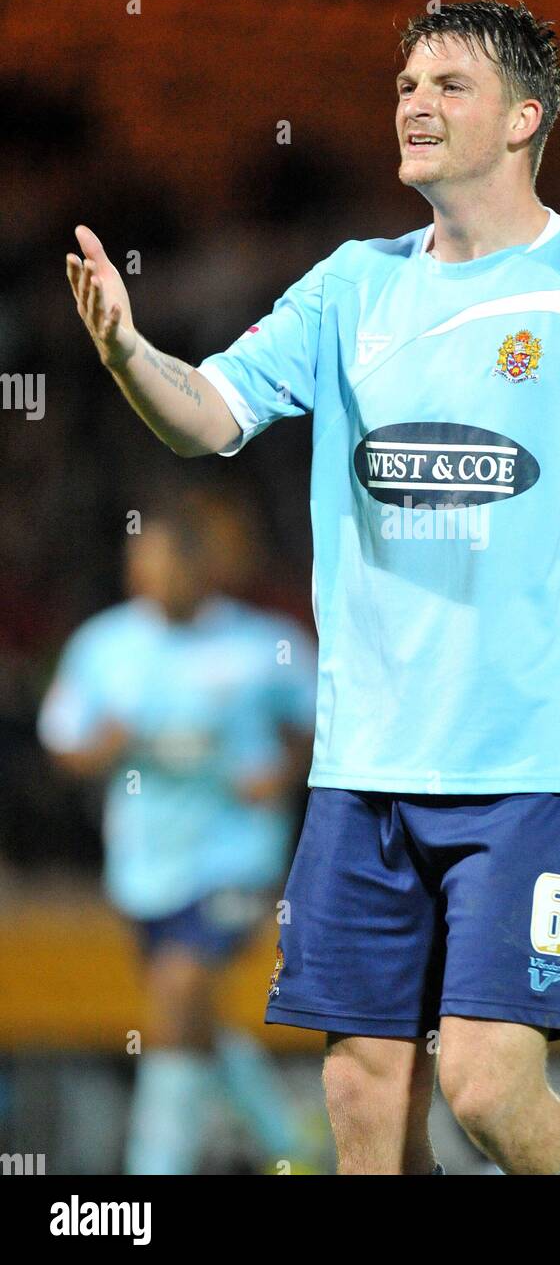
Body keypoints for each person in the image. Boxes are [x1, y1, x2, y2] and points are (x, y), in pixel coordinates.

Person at [64, 0, 560, 1176]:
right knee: (362, 1093)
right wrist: (127, 353)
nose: (413, 103)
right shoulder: (350, 288)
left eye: (448, 85)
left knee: (483, 1087)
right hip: (363, 765)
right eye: (405, 84)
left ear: (526, 119)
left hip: (531, 770)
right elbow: (207, 417)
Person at [38, 497, 317, 1174]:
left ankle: (152, 1172)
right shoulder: (105, 646)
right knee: (188, 1015)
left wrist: (279, 773)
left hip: (235, 856)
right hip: (145, 862)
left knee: (180, 991)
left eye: (162, 564)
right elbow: (62, 742)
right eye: (140, 564)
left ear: (200, 569)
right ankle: (291, 1140)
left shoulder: (260, 646)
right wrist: (101, 748)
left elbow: (318, 722)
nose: (148, 578)